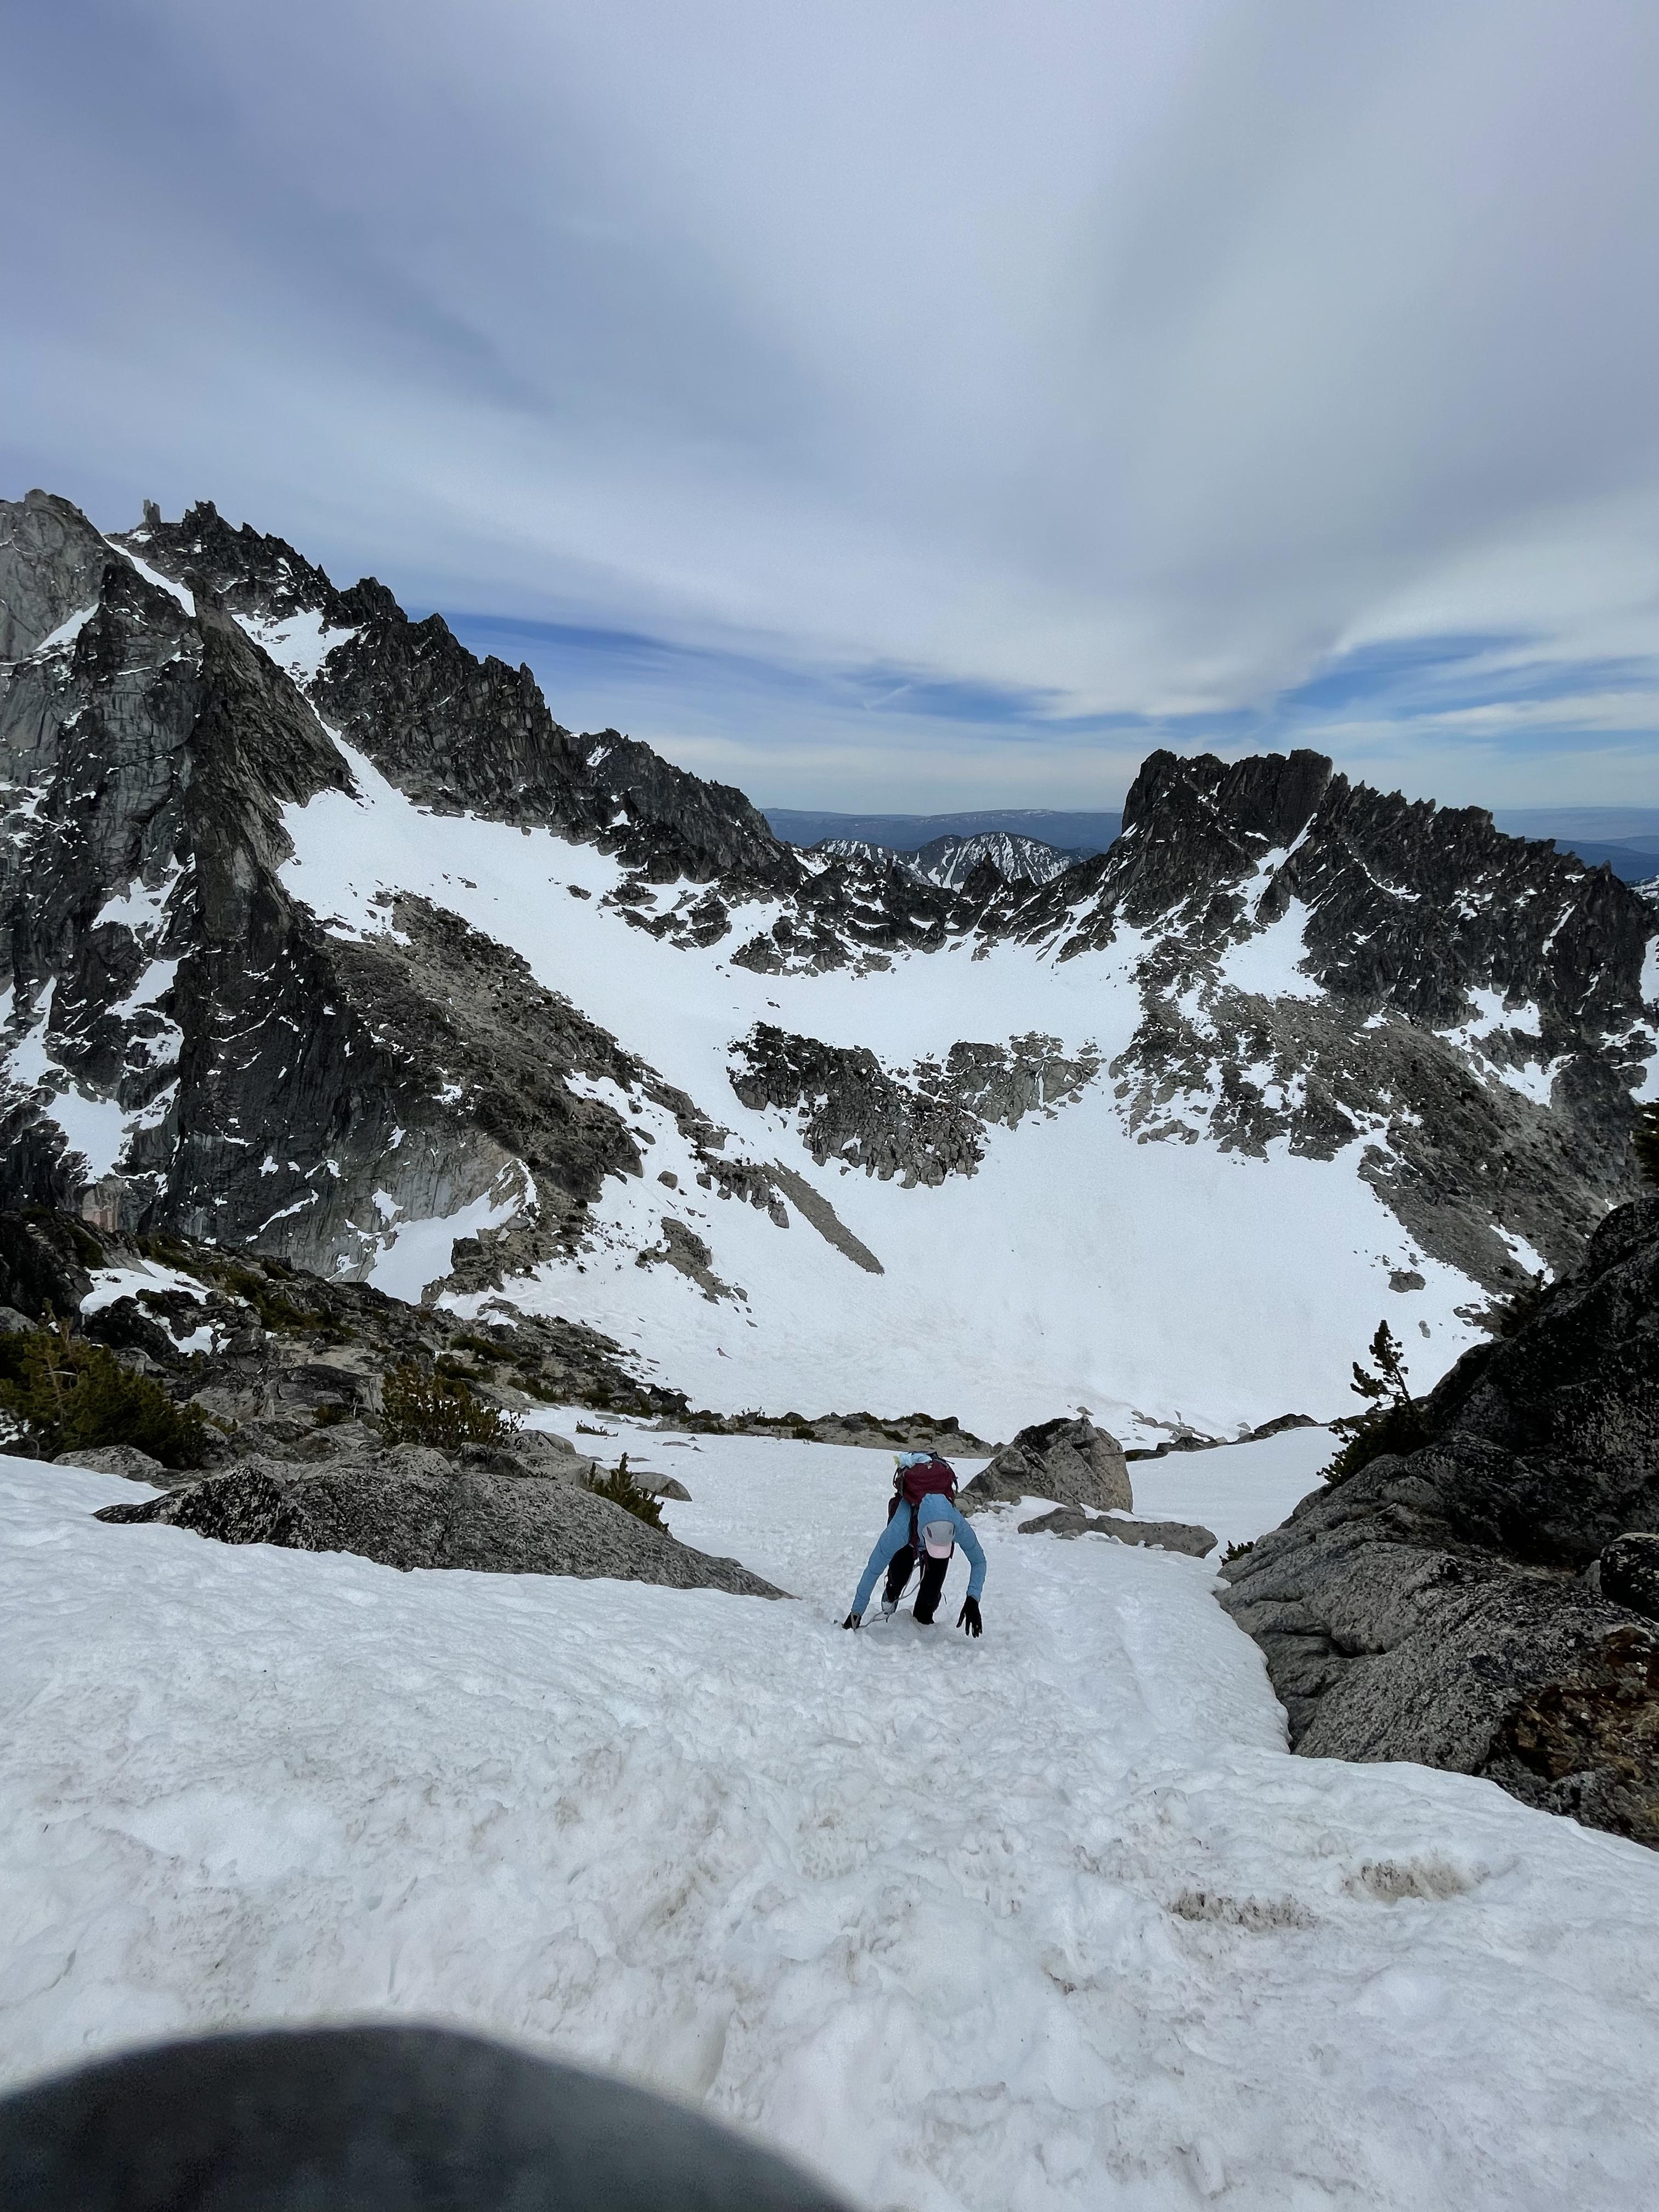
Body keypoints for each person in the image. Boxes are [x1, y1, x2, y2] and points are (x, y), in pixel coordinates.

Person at [843, 1451, 985, 1634]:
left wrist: (973, 1598)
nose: (937, 1550)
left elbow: (979, 1561)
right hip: (909, 1542)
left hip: (929, 1534)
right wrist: (856, 1613)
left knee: (926, 1606)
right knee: (898, 1577)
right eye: (935, 1546)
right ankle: (891, 1593)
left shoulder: (956, 1523)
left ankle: (924, 1620)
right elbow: (873, 1569)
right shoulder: (900, 1528)